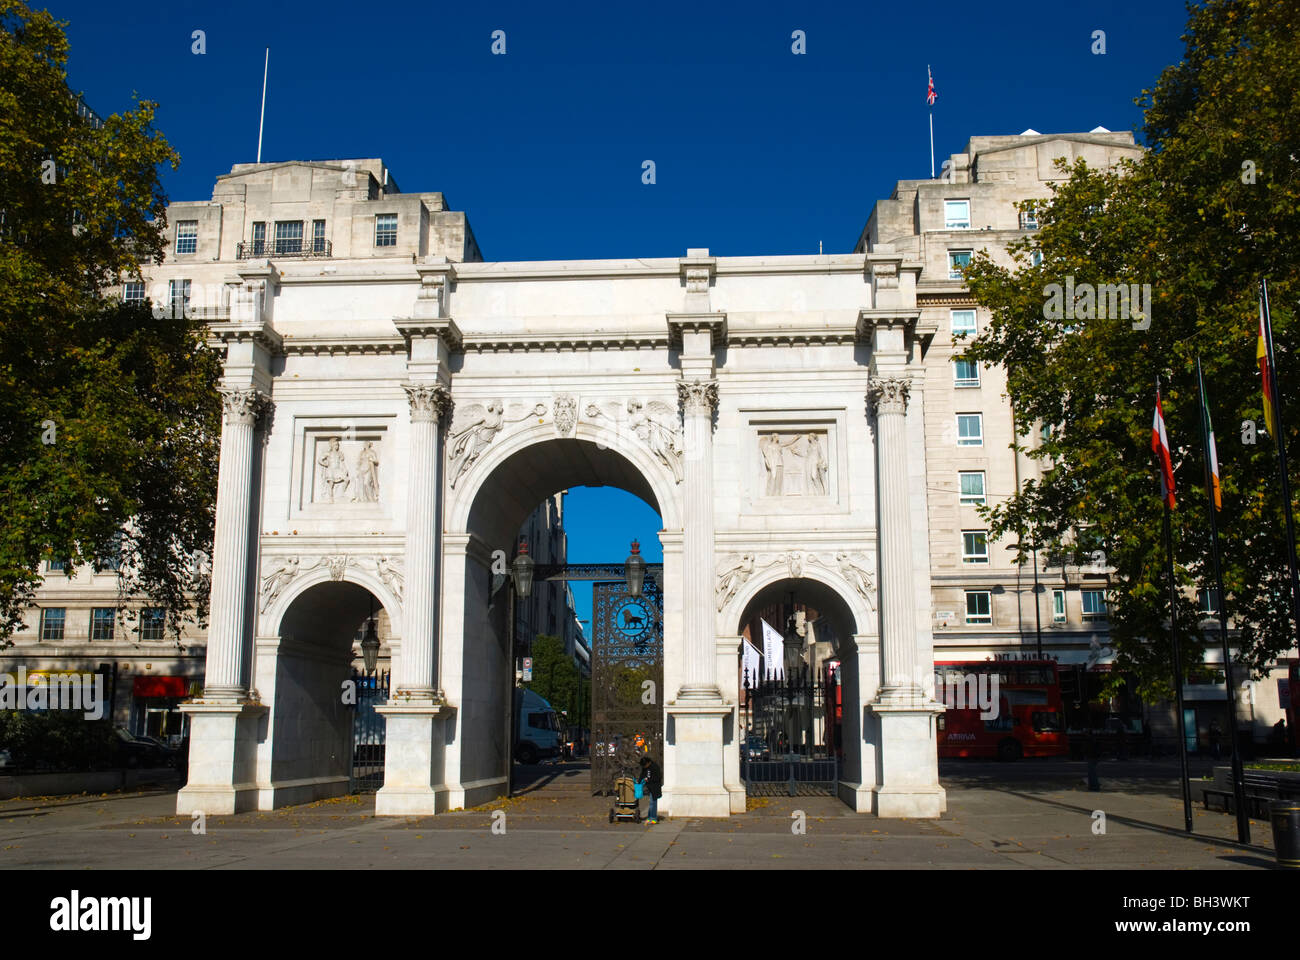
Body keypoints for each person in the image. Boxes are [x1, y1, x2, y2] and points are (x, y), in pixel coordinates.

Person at [639, 754, 663, 825]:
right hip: (649, 787)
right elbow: (642, 774)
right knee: (651, 803)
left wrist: (648, 780)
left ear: (648, 763)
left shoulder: (655, 767)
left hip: (655, 787)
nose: (644, 767)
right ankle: (650, 817)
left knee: (653, 803)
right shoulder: (645, 768)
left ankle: (653, 818)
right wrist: (639, 782)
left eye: (645, 765)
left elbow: (658, 777)